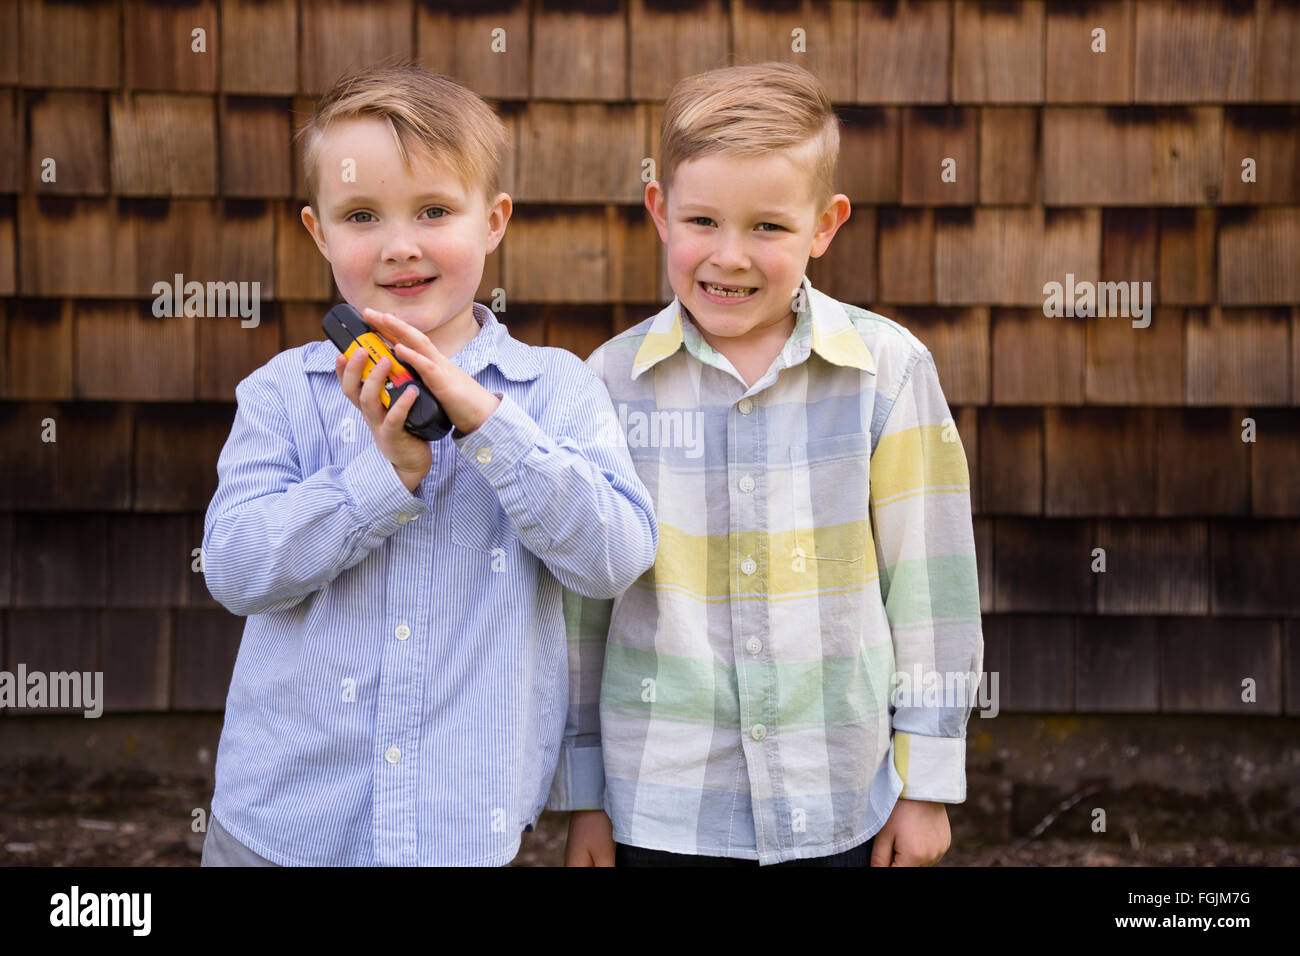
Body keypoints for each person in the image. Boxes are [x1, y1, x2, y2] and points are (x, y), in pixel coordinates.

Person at [199, 63, 657, 866]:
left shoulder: (554, 390)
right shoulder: (284, 395)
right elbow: (236, 571)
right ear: (319, 232)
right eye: (363, 215)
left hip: (459, 834)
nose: (400, 245)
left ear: (494, 220)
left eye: (435, 210)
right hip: (281, 830)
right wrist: (379, 479)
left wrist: (490, 426)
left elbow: (614, 557)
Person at [548, 62, 983, 867]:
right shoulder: (607, 385)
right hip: (661, 803)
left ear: (824, 225)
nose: (730, 256)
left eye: (769, 228)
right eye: (703, 221)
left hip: (837, 798)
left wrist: (925, 782)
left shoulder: (886, 372)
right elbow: (582, 614)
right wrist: (584, 796)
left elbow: (932, 587)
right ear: (660, 212)